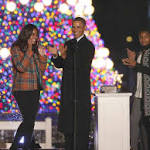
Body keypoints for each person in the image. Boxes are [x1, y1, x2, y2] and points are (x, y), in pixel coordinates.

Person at [49, 17, 95, 150]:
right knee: (69, 126)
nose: (75, 29)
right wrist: (56, 56)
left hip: (80, 91)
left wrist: (64, 58)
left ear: (84, 28)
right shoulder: (68, 44)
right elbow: (60, 65)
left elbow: (81, 65)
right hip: (69, 89)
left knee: (80, 127)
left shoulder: (88, 45)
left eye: (78, 27)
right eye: (73, 27)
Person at [10, 24, 48, 150]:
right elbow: (21, 67)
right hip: (22, 90)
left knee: (30, 120)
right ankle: (18, 146)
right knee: (28, 120)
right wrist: (29, 50)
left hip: (35, 88)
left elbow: (41, 70)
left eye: (36, 34)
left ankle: (28, 145)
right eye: (32, 34)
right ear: (26, 34)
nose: (35, 37)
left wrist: (42, 56)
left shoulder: (36, 49)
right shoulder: (16, 48)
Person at [122, 29, 150, 150]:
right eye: (141, 37)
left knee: (145, 124)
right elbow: (138, 71)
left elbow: (146, 69)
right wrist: (130, 63)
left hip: (148, 95)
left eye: (146, 37)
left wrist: (136, 65)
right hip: (139, 93)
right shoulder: (140, 52)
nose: (143, 39)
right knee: (134, 121)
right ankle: (133, 147)